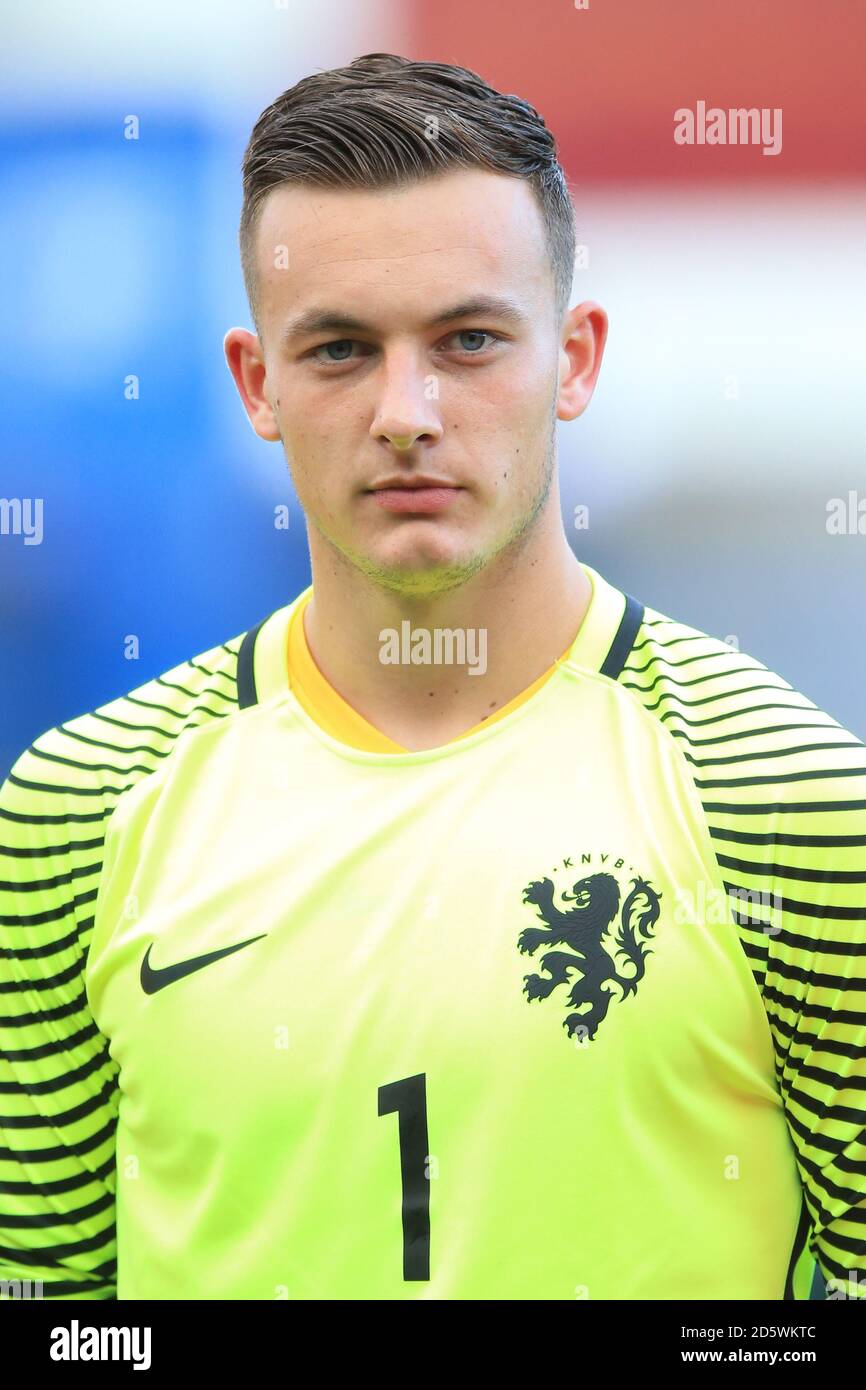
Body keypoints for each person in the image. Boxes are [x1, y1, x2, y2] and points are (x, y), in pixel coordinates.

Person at [1, 52, 864, 1302]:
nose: (406, 410)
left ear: (572, 360)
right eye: (341, 350)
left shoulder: (786, 797)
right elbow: (51, 1308)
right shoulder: (78, 802)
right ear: (257, 385)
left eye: (467, 341)